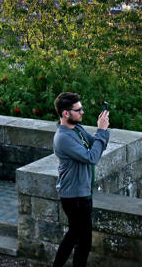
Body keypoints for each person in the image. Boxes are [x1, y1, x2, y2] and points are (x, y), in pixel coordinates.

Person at [51, 92, 110, 267]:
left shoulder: (77, 129)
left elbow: (98, 145)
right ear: (65, 113)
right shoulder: (63, 138)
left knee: (77, 237)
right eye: (78, 110)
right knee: (81, 240)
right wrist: (101, 131)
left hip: (83, 193)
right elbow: (92, 157)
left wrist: (103, 130)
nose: (82, 112)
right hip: (74, 196)